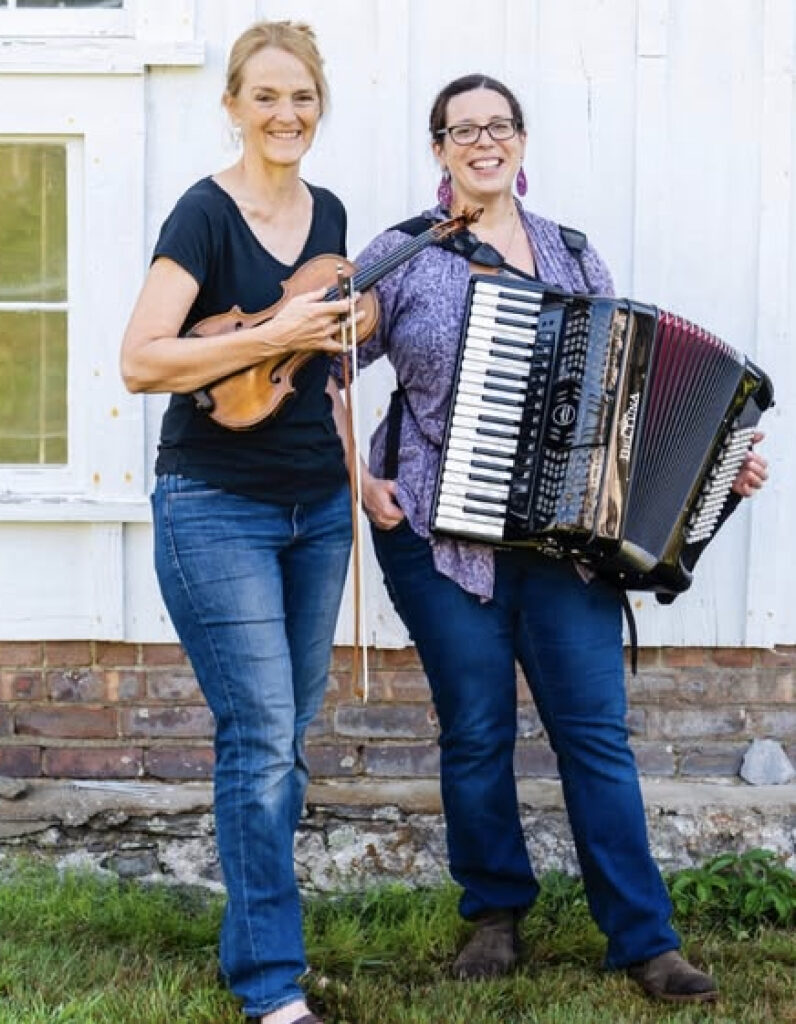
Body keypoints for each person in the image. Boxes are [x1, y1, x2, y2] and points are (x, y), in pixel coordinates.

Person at [345, 74, 769, 1004]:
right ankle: (493, 914)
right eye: (463, 130)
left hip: (561, 544)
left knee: (595, 735)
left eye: (498, 126)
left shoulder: (573, 258)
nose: (483, 142)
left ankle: (645, 939)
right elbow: (328, 366)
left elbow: (626, 401)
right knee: (477, 727)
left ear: (522, 143)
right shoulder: (403, 255)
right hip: (435, 534)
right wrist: (357, 477)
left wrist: (707, 469)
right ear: (439, 150)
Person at [120, 21, 358, 1024]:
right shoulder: (204, 215)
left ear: (319, 104)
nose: (285, 114)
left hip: (320, 507)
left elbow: (325, 371)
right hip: (214, 503)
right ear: (232, 104)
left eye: (301, 96)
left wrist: (363, 470)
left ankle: (250, 946)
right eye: (265, 96)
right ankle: (272, 985)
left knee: (284, 739)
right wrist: (270, 329)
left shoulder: (331, 210)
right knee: (260, 737)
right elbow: (141, 360)